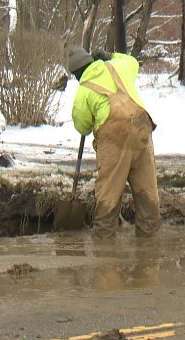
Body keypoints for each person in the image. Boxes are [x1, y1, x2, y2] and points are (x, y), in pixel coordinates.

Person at [67, 46, 161, 239]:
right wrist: (111, 55)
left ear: (76, 74)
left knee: (108, 193)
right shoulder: (118, 66)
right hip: (142, 133)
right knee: (146, 190)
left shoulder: (83, 91)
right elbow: (133, 62)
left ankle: (104, 246)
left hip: (114, 143)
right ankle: (149, 244)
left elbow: (82, 127)